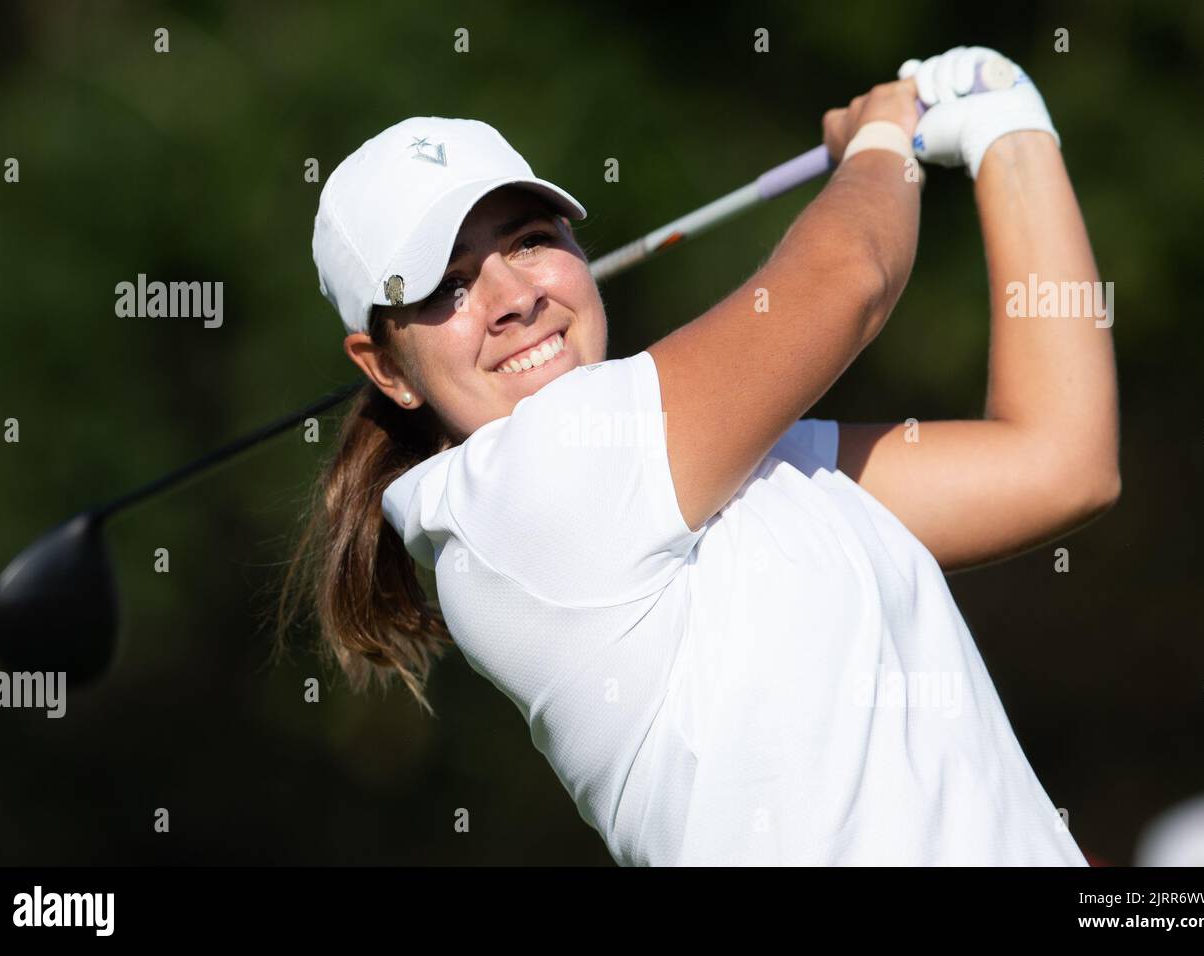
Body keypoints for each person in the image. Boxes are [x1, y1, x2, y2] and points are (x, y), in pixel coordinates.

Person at [281, 45, 1120, 865]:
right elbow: (848, 276)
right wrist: (883, 137)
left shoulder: (750, 468)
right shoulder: (511, 497)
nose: (513, 297)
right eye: (447, 287)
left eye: (531, 240)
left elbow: (1059, 463)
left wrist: (1010, 135)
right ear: (386, 366)